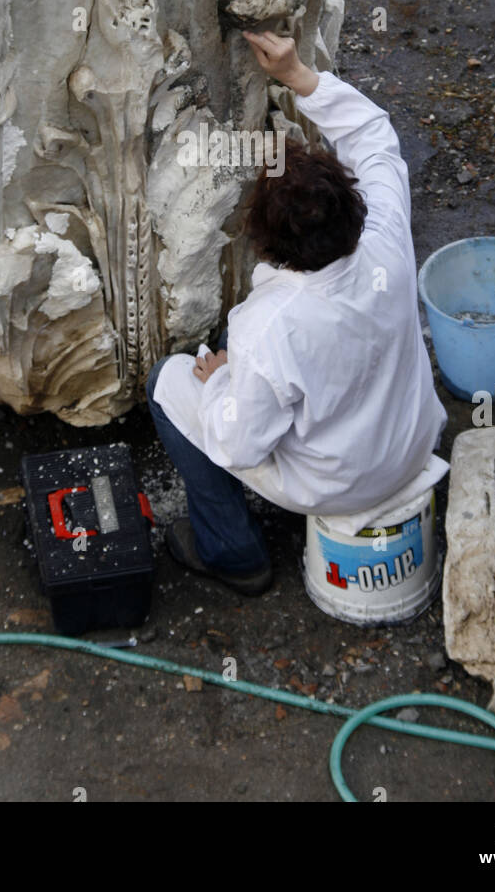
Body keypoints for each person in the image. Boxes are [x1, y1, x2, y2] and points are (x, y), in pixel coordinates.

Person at [145, 30, 446, 596]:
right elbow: (374, 137)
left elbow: (239, 445)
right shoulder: (386, 241)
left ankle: (234, 554)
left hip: (342, 483)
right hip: (410, 443)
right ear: (355, 207)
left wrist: (220, 386)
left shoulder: (268, 324)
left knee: (168, 382)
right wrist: (297, 73)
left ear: (262, 241)